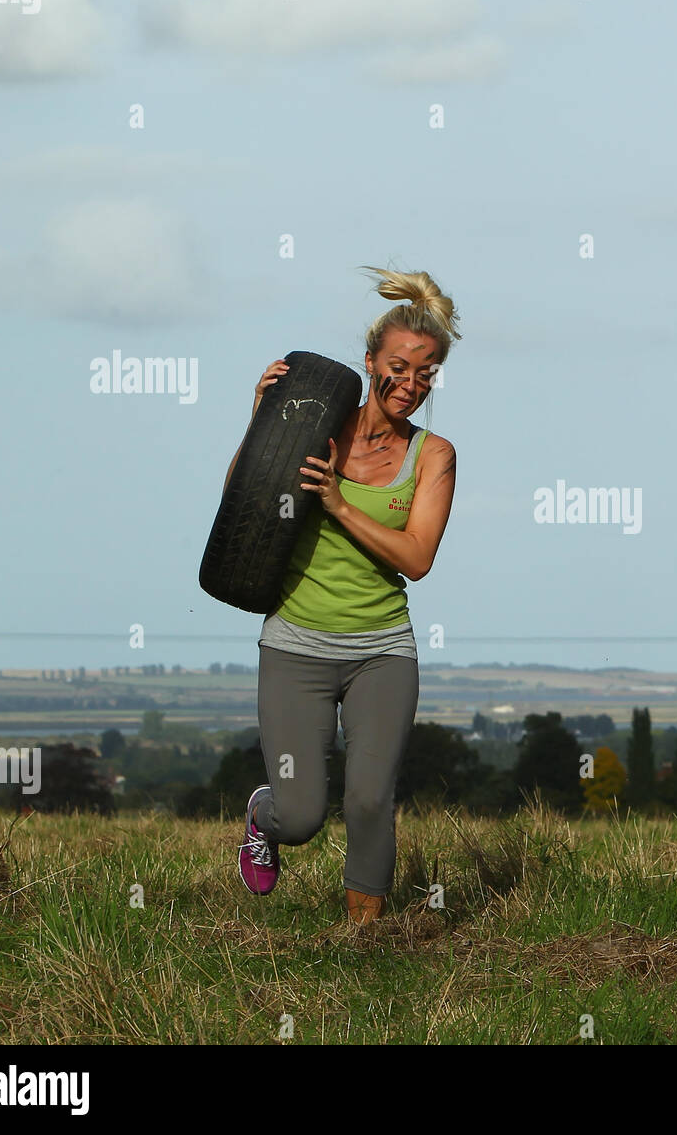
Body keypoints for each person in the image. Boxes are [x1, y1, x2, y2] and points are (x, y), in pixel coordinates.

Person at [227, 267, 460, 925]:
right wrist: (262, 425)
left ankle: (363, 944)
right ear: (369, 363)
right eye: (399, 368)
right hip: (295, 645)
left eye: (426, 374)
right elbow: (239, 506)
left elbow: (417, 558)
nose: (411, 386)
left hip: (382, 651)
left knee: (367, 800)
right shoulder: (314, 429)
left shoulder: (434, 456)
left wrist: (335, 505)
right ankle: (260, 816)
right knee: (301, 815)